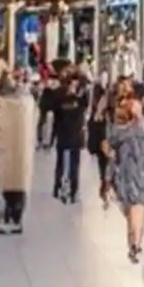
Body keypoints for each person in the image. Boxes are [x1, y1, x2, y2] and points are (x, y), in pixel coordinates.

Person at [103, 82, 144, 264]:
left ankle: (132, 242)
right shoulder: (143, 127)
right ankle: (136, 243)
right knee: (139, 207)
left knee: (129, 209)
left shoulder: (116, 122)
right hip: (141, 170)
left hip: (123, 171)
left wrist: (107, 178)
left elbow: (111, 151)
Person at [0, 64, 34, 234]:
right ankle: (14, 217)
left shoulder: (4, 102)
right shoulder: (26, 100)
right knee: (17, 183)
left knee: (8, 183)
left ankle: (9, 216)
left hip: (7, 154)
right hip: (20, 156)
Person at [52, 73, 87, 204]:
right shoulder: (60, 97)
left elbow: (84, 108)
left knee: (74, 164)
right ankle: (58, 186)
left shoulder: (80, 98)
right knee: (61, 162)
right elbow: (56, 114)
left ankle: (73, 189)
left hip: (75, 134)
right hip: (64, 133)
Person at [87, 75, 111, 197]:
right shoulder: (106, 104)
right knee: (105, 160)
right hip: (104, 134)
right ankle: (105, 181)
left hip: (101, 135)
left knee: (103, 161)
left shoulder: (95, 109)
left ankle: (104, 180)